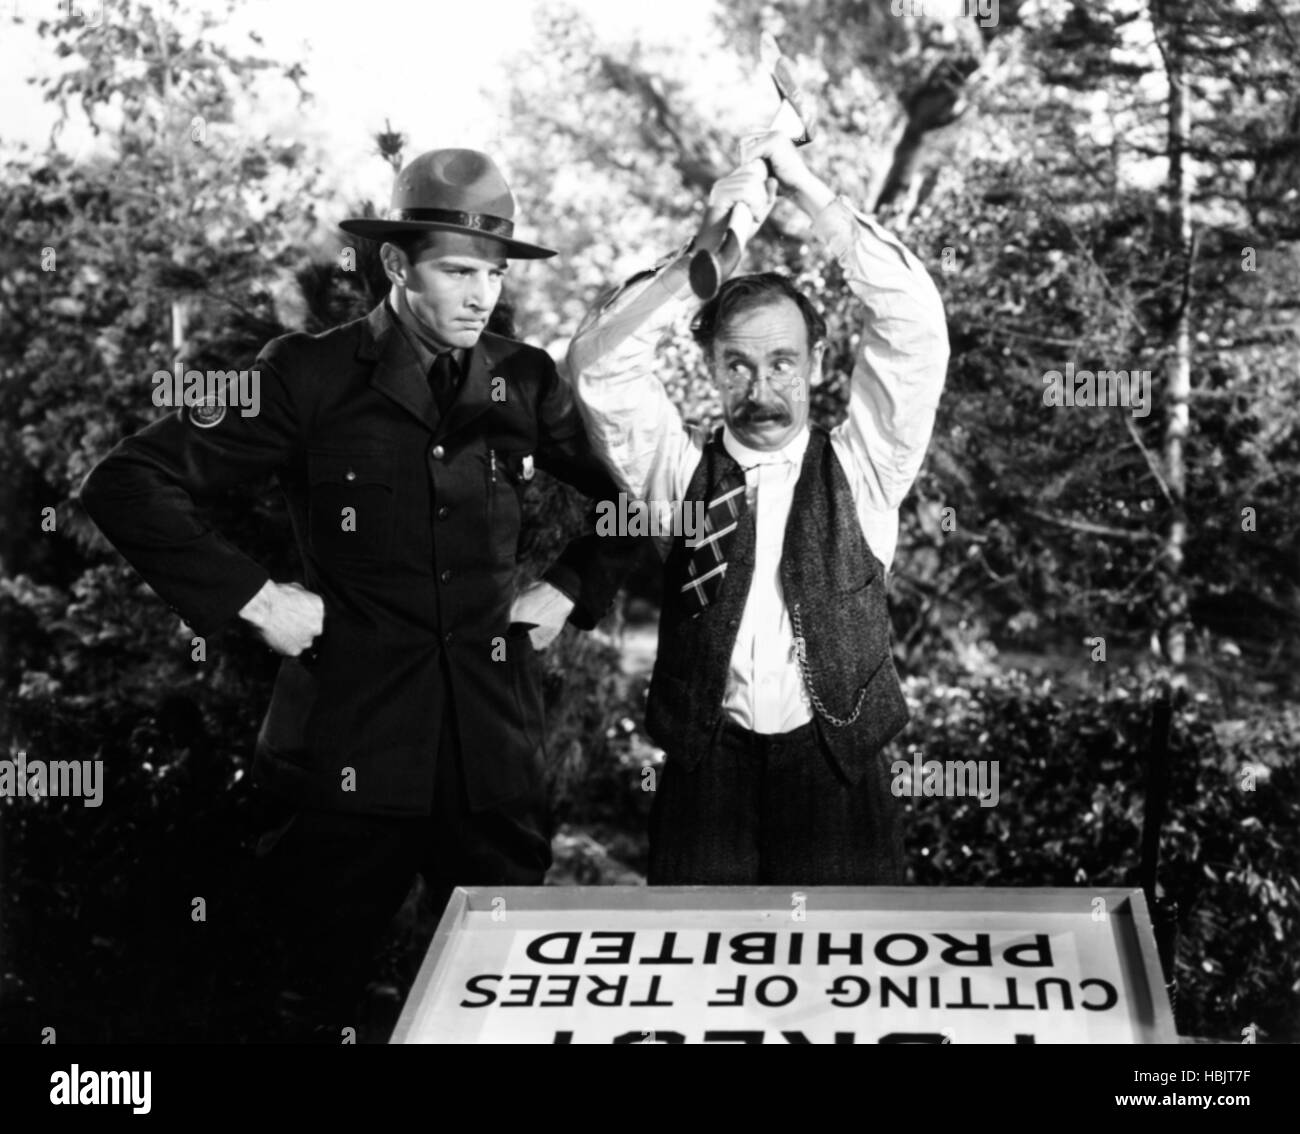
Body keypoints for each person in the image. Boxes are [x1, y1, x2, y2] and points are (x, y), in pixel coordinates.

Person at [80, 148, 641, 1038]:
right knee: (318, 1002)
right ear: (393, 264)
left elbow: (626, 504)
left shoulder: (525, 379)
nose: (479, 295)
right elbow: (128, 480)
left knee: (501, 1007)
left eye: (492, 274)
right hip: (348, 757)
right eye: (457, 271)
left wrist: (570, 587)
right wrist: (258, 599)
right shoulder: (306, 374)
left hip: (492, 762)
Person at [566, 132, 949, 885]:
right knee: (698, 991)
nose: (761, 390)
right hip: (707, 778)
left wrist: (806, 187)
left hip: (839, 776)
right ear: (710, 367)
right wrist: (704, 255)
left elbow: (914, 326)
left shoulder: (866, 468)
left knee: (849, 992)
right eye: (737, 365)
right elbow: (599, 367)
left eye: (782, 363)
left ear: (813, 362)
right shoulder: (676, 478)